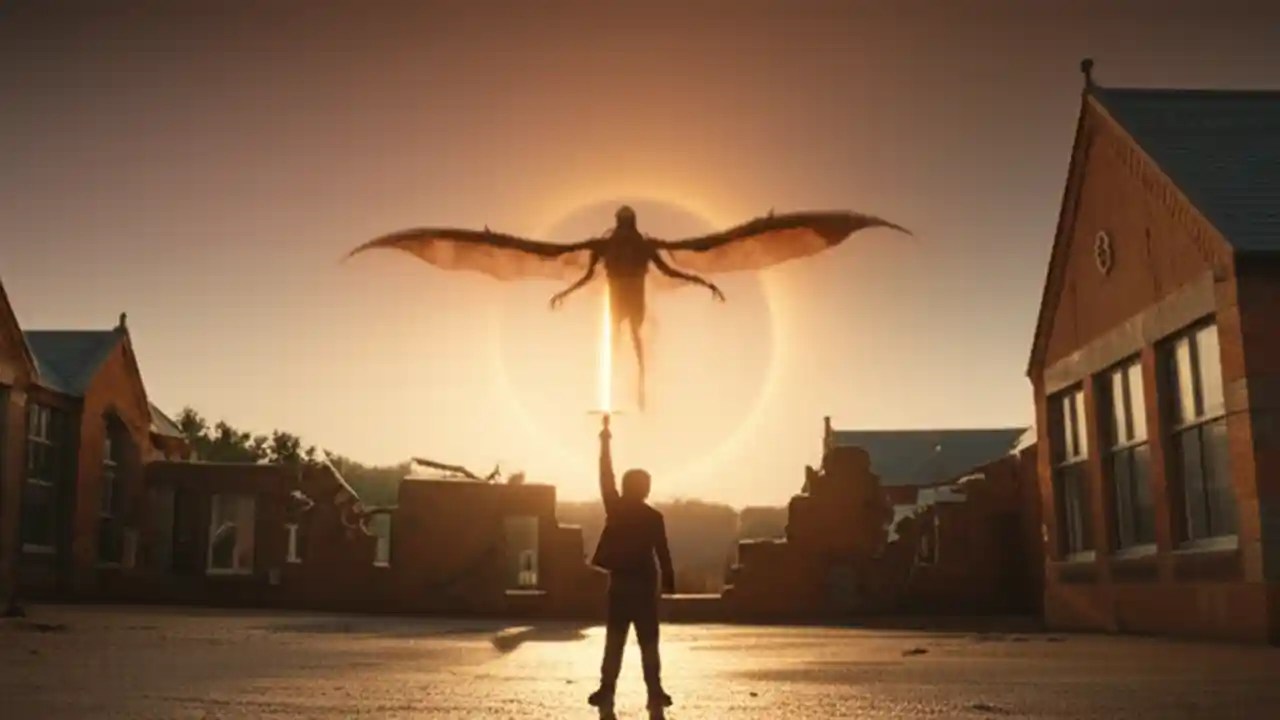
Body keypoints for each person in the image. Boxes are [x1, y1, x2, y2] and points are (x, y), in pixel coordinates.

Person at [588, 414, 675, 711]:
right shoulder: (653, 517)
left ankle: (607, 689)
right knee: (648, 642)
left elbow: (604, 475)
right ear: (645, 488)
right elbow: (662, 552)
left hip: (622, 584)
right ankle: (654, 691)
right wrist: (670, 580)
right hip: (644, 584)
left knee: (615, 641)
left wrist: (605, 442)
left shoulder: (616, 508)